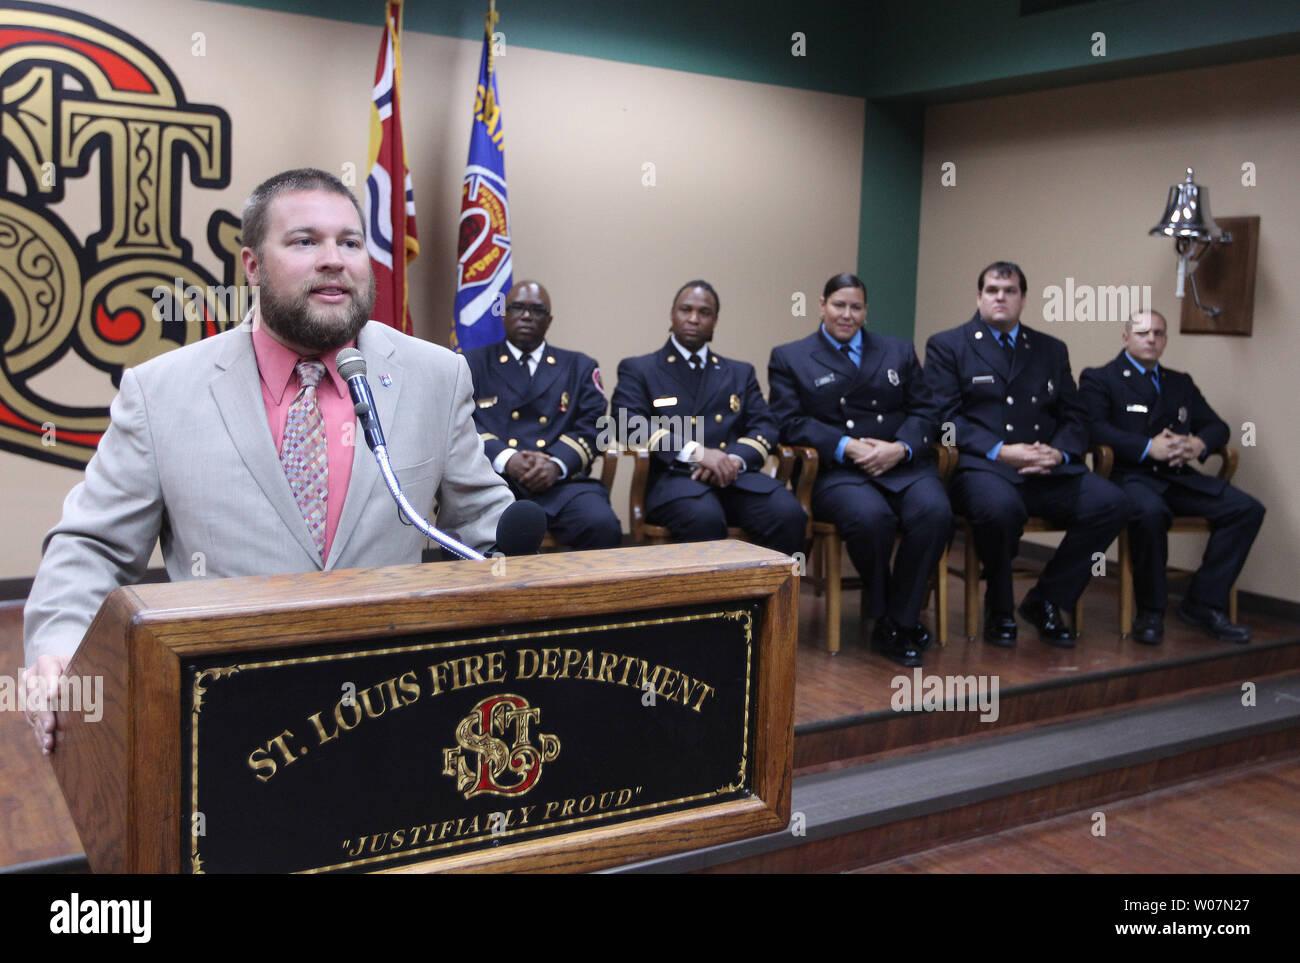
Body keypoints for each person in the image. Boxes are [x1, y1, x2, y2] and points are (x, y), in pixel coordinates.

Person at [23, 168, 513, 751]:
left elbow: (486, 526)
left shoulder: (435, 375)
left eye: (350, 242)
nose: (334, 259)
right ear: (252, 266)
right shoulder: (160, 392)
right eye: (305, 241)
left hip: (398, 715)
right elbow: (91, 547)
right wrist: (60, 646)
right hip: (229, 725)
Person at [923, 261, 1128, 647]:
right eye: (993, 290)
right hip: (983, 468)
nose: (1001, 297)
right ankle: (999, 605)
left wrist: (1061, 453)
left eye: (1010, 290)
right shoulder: (948, 345)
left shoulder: (1050, 348)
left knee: (1112, 502)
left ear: (1023, 298)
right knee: (1000, 510)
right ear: (979, 296)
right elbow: (944, 419)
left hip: (1045, 467)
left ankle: (1047, 599)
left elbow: (1075, 415)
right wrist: (1001, 450)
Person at [768, 273, 951, 666]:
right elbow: (787, 421)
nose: (847, 315)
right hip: (837, 470)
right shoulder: (790, 356)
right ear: (821, 305)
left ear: (866, 311)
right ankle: (888, 613)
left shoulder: (898, 351)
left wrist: (900, 447)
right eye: (839, 305)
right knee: (871, 520)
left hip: (900, 463)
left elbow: (927, 410)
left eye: (855, 307)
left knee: (936, 513)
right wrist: (845, 445)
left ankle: (898, 618)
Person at [1080, 309, 1263, 644]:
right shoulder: (1100, 378)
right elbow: (1093, 428)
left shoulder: (1180, 383)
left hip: (1177, 477)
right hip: (1129, 476)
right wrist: (1147, 447)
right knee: (1150, 514)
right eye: (1142, 333)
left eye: (1159, 333)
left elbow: (1217, 426)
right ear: (1126, 339)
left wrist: (1198, 442)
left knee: (1246, 509)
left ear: (1165, 340)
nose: (1151, 339)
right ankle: (1150, 611)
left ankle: (1203, 603)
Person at [610, 280, 806, 556]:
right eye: (686, 310)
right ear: (672, 314)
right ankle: (709, 601)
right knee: (704, 519)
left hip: (736, 476)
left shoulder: (739, 372)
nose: (693, 318)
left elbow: (766, 425)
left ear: (714, 321)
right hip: (676, 480)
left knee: (788, 513)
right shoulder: (641, 368)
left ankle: (766, 599)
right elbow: (627, 423)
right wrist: (696, 452)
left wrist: (732, 460)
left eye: (704, 312)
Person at [464, 280, 621, 549]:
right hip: (494, 481)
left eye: (536, 310)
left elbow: (595, 426)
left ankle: (580, 593)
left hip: (562, 485)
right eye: (517, 308)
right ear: (504, 315)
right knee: (466, 531)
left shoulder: (579, 366)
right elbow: (461, 423)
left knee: (601, 525)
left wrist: (555, 463)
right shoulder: (471, 363)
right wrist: (506, 458)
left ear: (549, 321)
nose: (526, 315)